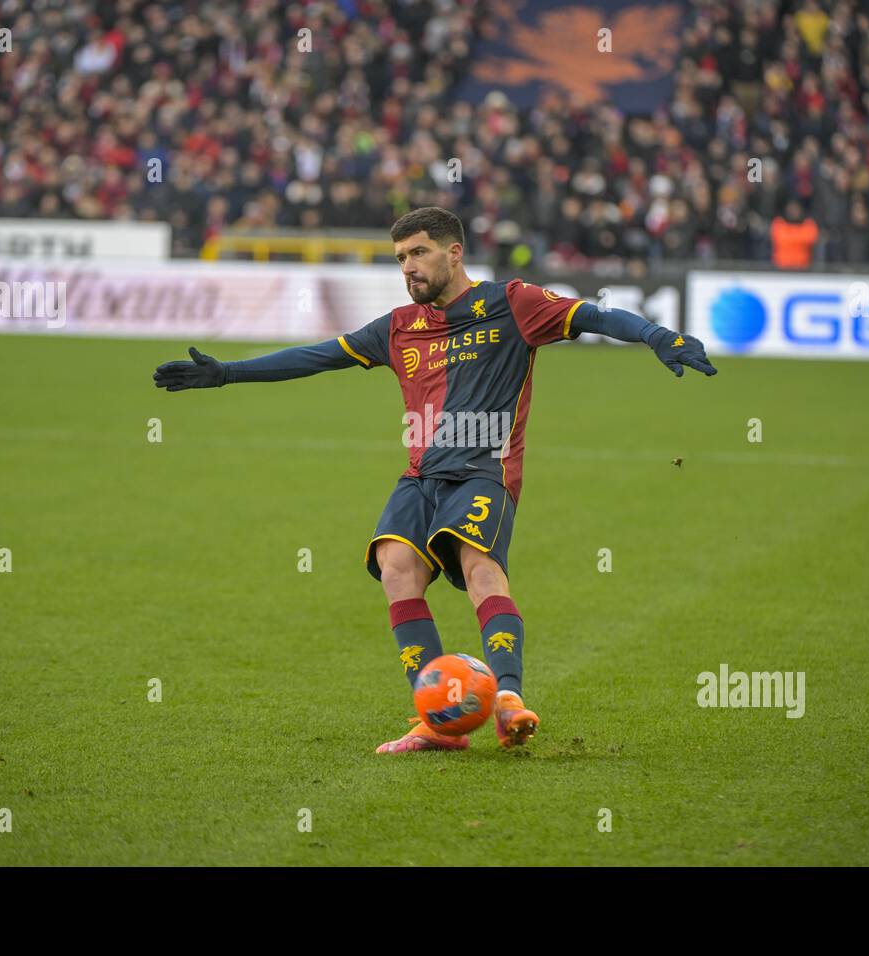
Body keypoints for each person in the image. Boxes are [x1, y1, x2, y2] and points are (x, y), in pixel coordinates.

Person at [153, 207, 718, 753]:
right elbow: (319, 356)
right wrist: (227, 373)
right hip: (420, 476)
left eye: (418, 253)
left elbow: (593, 316)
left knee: (480, 571)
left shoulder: (511, 303)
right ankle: (439, 721)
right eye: (400, 258)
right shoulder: (399, 327)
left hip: (482, 473)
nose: (408, 268)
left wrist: (656, 335)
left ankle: (507, 699)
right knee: (397, 572)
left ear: (454, 252)